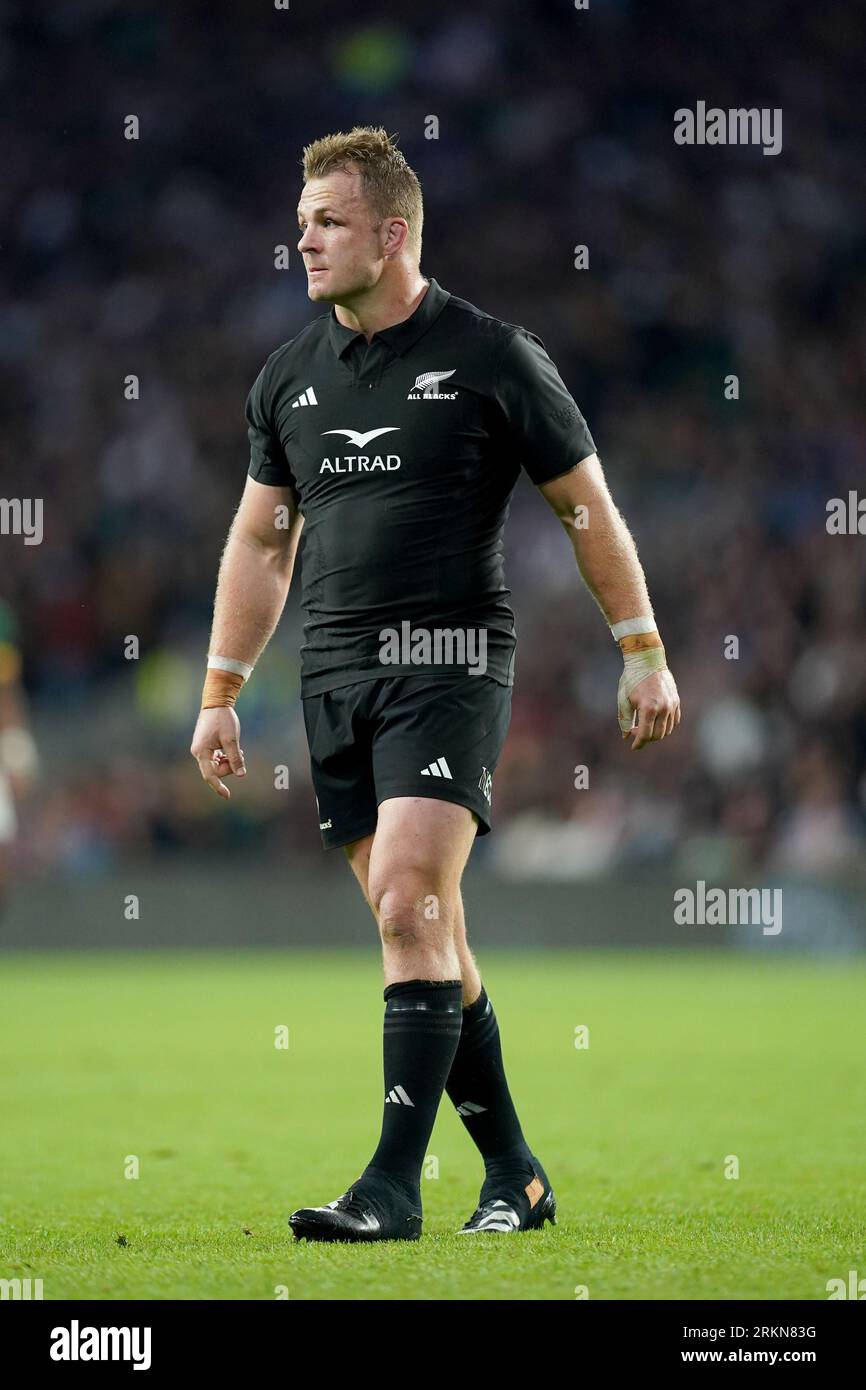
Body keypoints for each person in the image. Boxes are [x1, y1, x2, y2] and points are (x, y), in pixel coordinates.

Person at [190, 126, 681, 1242]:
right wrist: (221, 688)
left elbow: (583, 508)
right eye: (301, 219)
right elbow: (263, 544)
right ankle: (516, 1171)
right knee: (425, 930)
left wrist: (640, 646)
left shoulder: (496, 355)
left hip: (448, 662)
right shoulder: (288, 378)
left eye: (326, 221)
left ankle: (389, 1188)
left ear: (392, 232)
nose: (301, 238)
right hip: (331, 674)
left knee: (411, 899)